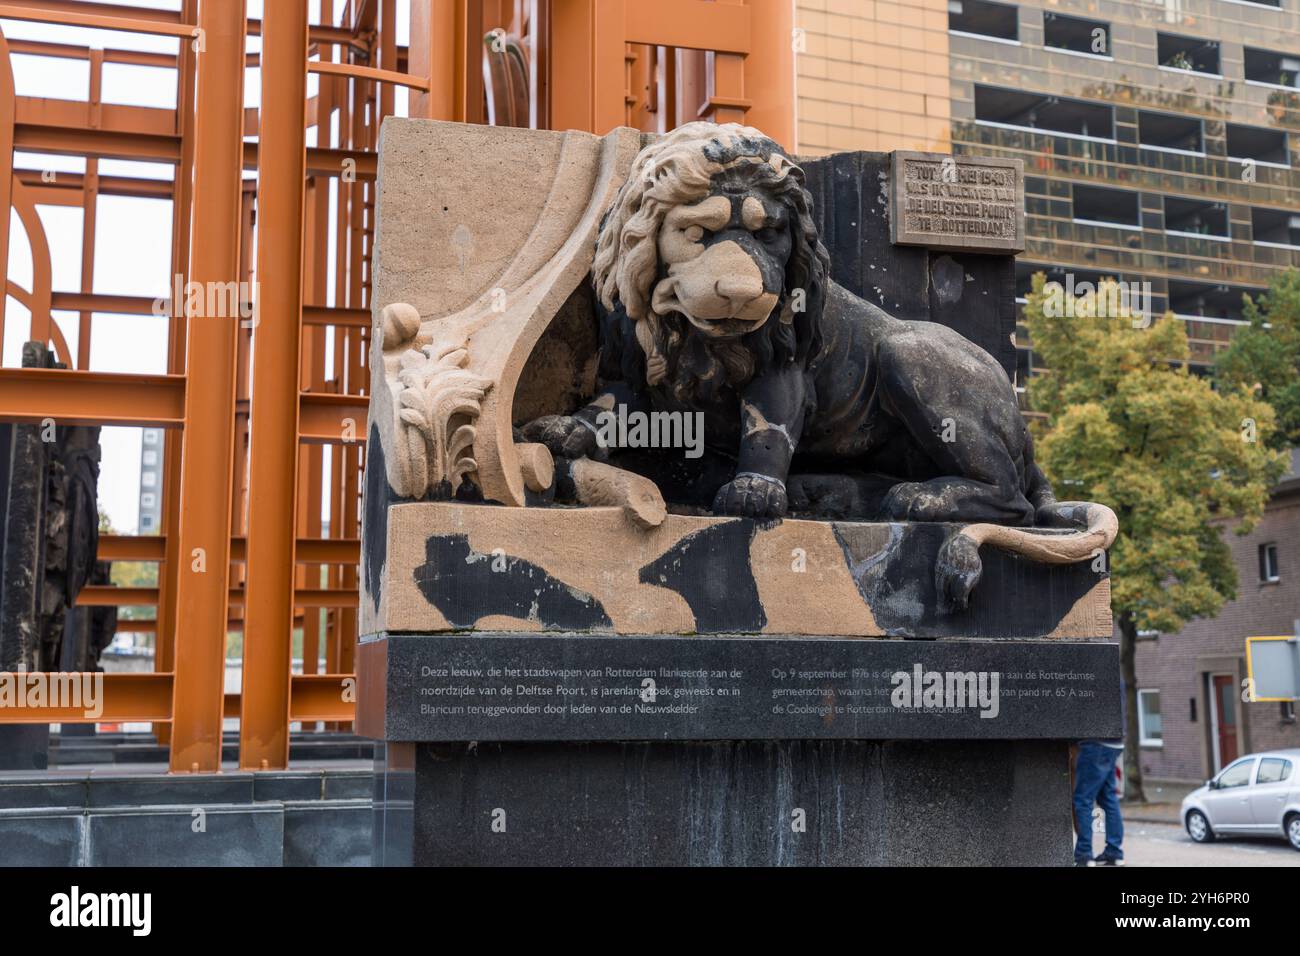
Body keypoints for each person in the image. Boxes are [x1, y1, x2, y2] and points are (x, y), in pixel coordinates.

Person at [1073, 688, 1125, 866]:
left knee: (1083, 799)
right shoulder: (1114, 669)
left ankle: (1084, 854)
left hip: (1095, 742)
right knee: (1108, 797)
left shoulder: (1091, 666)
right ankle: (1114, 852)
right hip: (1115, 740)